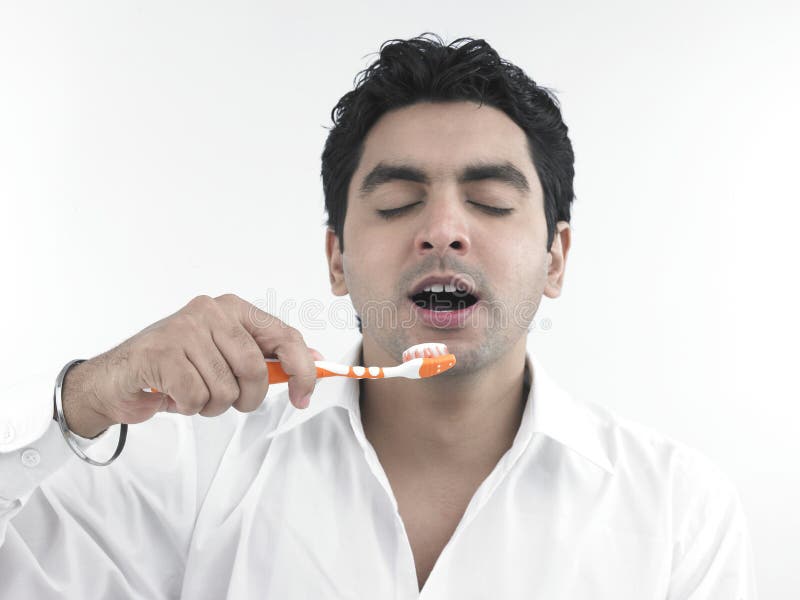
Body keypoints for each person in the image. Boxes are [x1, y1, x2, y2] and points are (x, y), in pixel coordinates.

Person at [0, 33, 757, 598]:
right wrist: (80, 400)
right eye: (398, 203)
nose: (443, 230)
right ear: (336, 260)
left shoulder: (676, 511)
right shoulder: (189, 468)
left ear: (556, 259)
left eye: (490, 201)